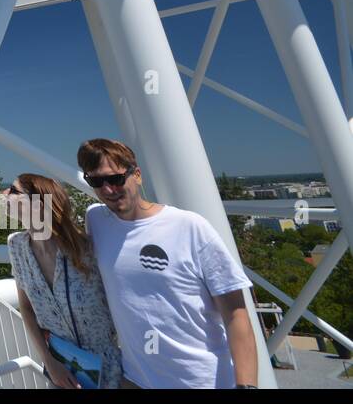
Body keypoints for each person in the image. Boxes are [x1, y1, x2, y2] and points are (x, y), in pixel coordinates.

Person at [77, 138, 259, 389]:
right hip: (136, 380)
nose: (108, 190)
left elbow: (236, 314)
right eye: (97, 182)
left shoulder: (189, 227)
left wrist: (247, 386)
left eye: (116, 179)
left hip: (201, 382)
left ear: (137, 175)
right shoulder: (96, 220)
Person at [3, 173, 123, 389]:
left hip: (110, 370)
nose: (3, 194)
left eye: (13, 191)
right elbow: (27, 308)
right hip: (61, 372)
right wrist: (50, 362)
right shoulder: (16, 246)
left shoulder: (86, 248)